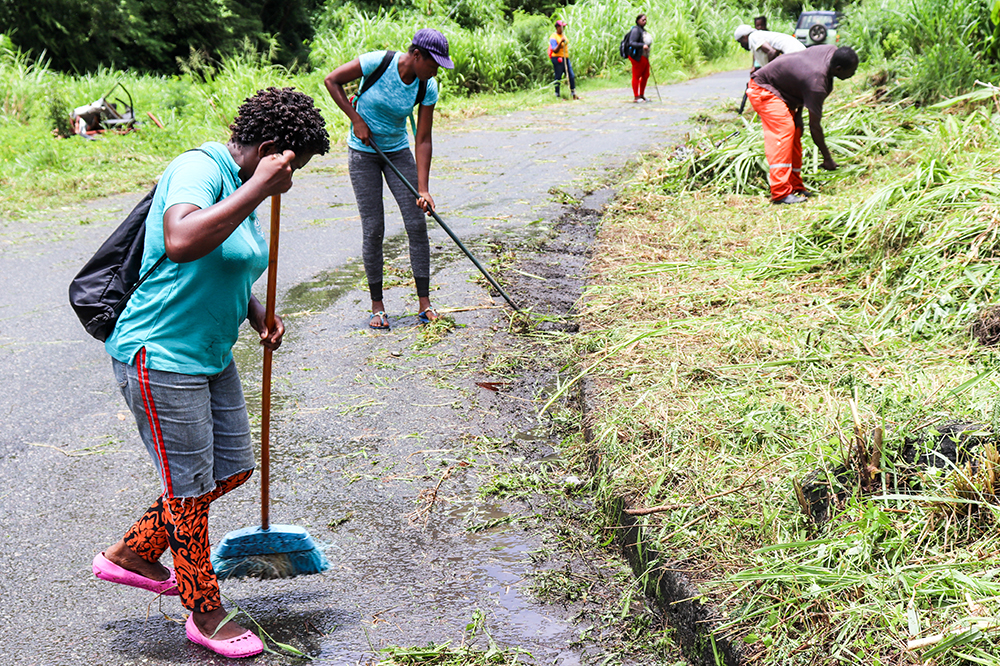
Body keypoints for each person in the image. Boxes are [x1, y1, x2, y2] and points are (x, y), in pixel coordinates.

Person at [92, 87, 329, 658]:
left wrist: (256, 311)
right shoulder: (197, 170)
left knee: (231, 468)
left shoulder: (248, 187)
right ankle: (204, 608)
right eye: (294, 168)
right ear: (270, 150)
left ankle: (132, 553)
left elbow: (230, 262)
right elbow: (182, 239)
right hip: (159, 355)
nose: (292, 183)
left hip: (210, 354)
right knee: (190, 491)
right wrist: (257, 189)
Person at [324, 29, 453, 330]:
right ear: (416, 55)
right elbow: (332, 81)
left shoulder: (427, 87)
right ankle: (378, 307)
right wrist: (356, 120)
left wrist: (423, 188)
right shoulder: (377, 63)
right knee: (374, 228)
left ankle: (424, 304)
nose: (436, 71)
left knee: (417, 222)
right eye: (434, 63)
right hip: (363, 152)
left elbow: (423, 139)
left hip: (396, 151)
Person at [746, 45, 858, 204]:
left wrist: (798, 114)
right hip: (764, 87)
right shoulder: (817, 82)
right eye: (852, 71)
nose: (854, 74)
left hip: (784, 91)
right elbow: (815, 127)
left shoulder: (831, 52)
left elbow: (799, 79)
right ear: (838, 69)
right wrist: (827, 158)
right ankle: (780, 193)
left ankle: (795, 185)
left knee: (796, 130)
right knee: (784, 130)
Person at [734, 23, 804, 71]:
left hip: (792, 53)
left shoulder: (753, 37)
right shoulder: (758, 35)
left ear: (744, 37)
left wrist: (768, 71)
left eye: (741, 42)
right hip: (799, 53)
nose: (742, 45)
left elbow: (771, 52)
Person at [549, 19, 579, 100]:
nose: (563, 29)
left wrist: (563, 40)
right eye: (562, 27)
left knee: (571, 75)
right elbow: (555, 49)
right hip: (557, 58)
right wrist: (560, 42)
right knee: (558, 76)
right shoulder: (553, 37)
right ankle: (557, 94)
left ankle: (573, 92)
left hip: (565, 58)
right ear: (557, 27)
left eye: (564, 27)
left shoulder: (563, 35)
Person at [625, 14, 650, 103]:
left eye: (645, 20)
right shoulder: (635, 30)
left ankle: (642, 95)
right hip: (637, 57)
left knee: (646, 75)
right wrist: (642, 45)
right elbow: (632, 43)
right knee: (636, 75)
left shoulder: (642, 30)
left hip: (644, 56)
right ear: (638, 20)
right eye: (643, 20)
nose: (644, 21)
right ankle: (636, 96)